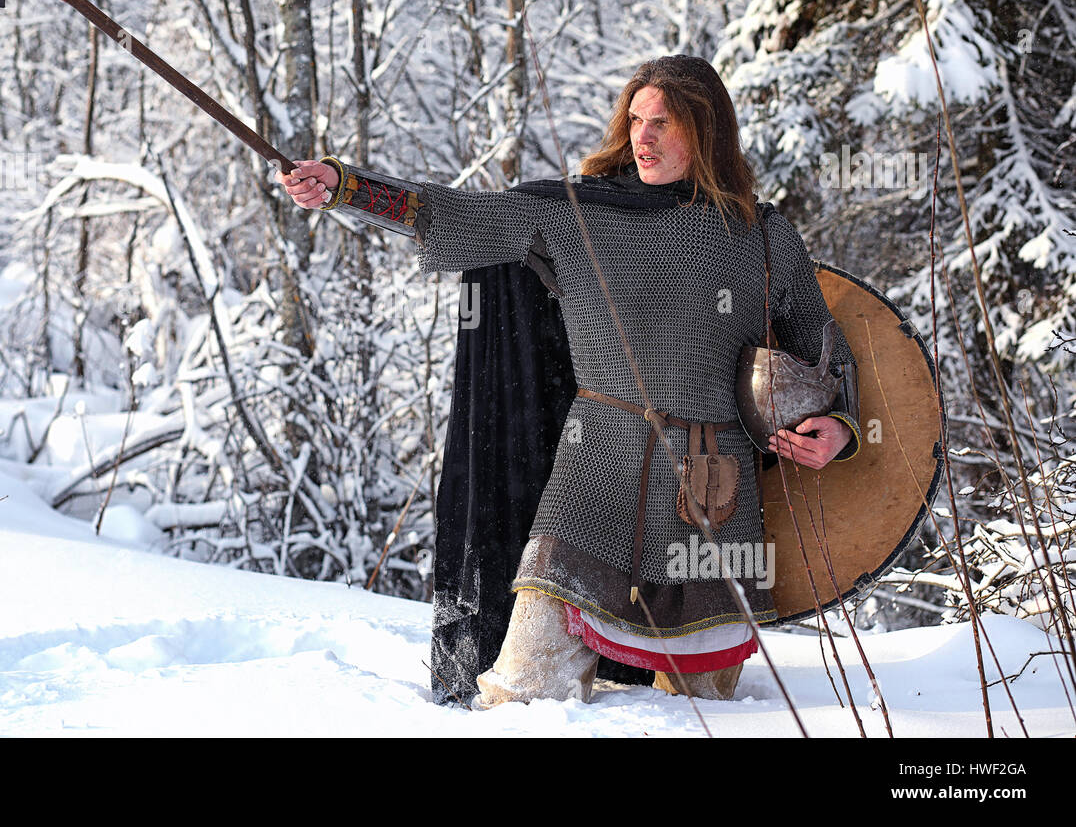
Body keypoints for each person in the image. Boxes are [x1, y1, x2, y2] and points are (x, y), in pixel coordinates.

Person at [277, 55, 860, 706]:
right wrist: (347, 188)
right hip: (591, 480)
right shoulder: (577, 214)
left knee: (701, 715)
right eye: (635, 120)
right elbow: (453, 215)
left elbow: (821, 344)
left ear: (708, 130)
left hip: (708, 497)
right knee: (519, 697)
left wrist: (839, 425)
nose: (643, 137)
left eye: (663, 122)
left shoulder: (762, 234)